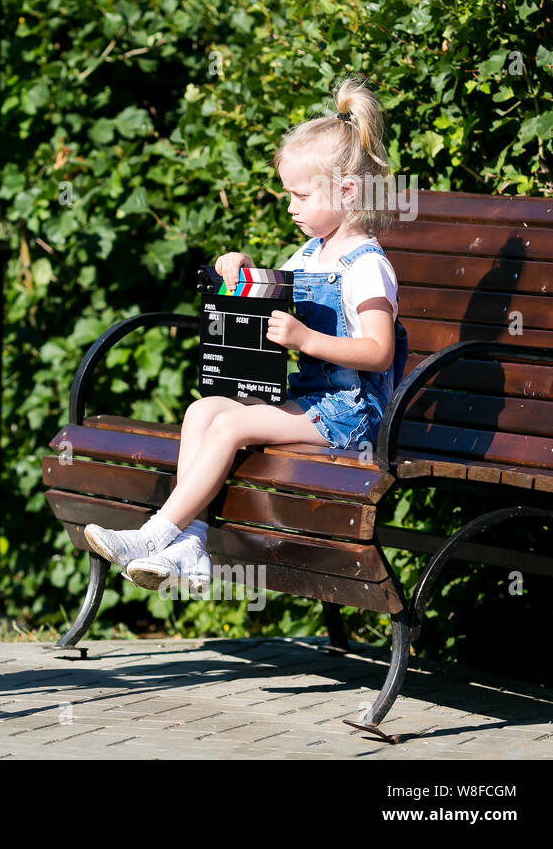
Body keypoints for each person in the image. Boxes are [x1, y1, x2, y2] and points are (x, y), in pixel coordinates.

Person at [84, 75, 403, 594]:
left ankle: (155, 534)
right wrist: (241, 269)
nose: (292, 207)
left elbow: (378, 350)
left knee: (231, 428)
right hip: (311, 400)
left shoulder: (367, 266)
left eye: (301, 195)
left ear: (347, 191)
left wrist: (306, 340)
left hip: (350, 414)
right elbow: (267, 295)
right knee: (203, 410)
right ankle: (191, 543)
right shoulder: (309, 254)